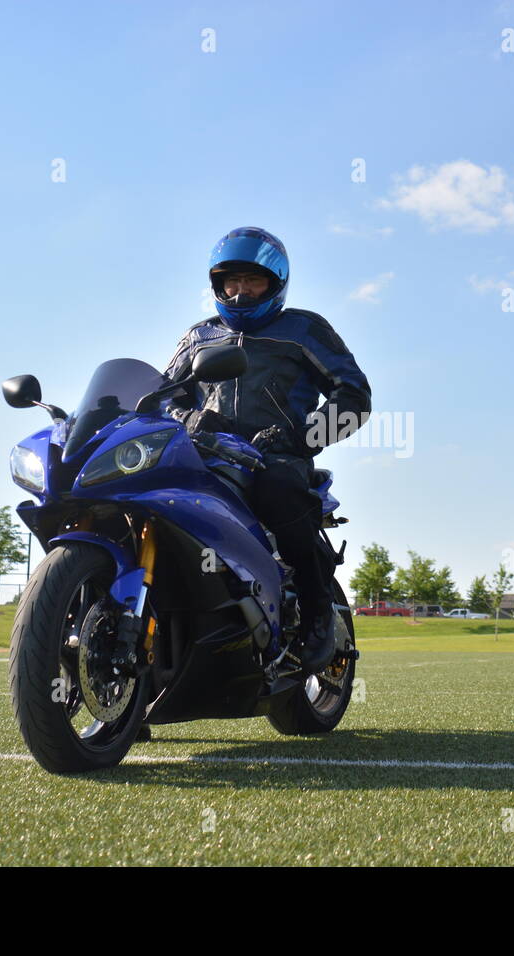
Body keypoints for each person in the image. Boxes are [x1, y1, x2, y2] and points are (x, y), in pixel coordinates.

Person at [162, 227, 371, 672]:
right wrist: (190, 420)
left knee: (279, 488)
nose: (240, 291)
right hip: (204, 456)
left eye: (252, 281)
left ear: (275, 283)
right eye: (230, 281)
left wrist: (301, 435)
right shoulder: (198, 336)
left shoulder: (304, 329)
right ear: (217, 285)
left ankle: (316, 612)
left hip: (274, 457)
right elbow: (163, 395)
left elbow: (354, 395)